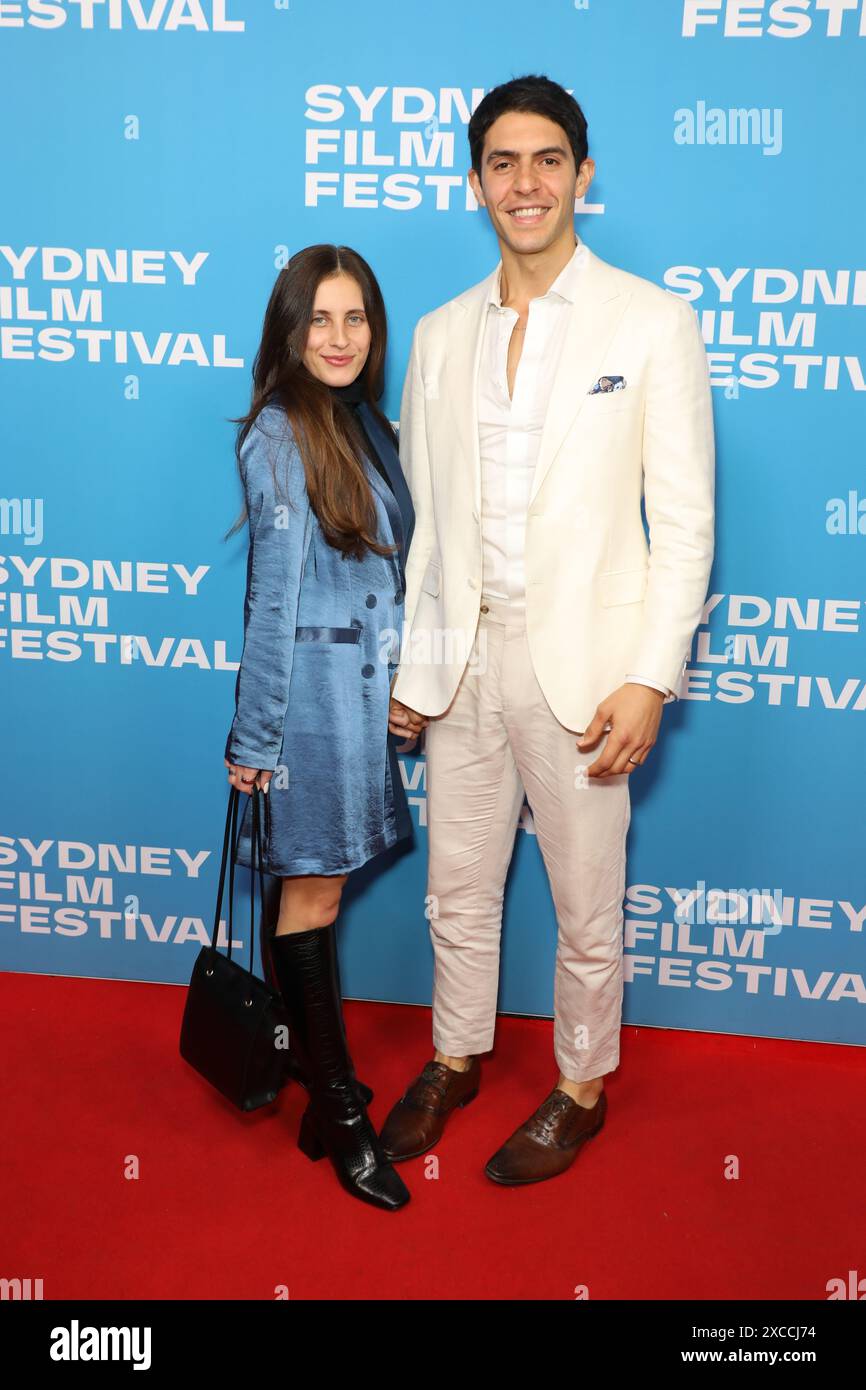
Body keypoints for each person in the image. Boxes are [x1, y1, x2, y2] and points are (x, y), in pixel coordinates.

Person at [384, 75, 715, 1185]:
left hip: (583, 668)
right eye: (499, 164)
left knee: (586, 901)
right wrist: (414, 663)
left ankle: (578, 1086)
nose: (522, 184)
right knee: (457, 886)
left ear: (581, 173)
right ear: (473, 184)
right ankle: (452, 1056)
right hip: (461, 660)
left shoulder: (650, 320)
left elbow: (683, 522)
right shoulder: (436, 335)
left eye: (544, 161)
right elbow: (429, 521)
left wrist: (649, 676)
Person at [223, 244, 415, 1212]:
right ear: (288, 332)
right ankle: (342, 1115)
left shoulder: (364, 424)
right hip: (305, 715)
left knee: (309, 892)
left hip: (356, 703)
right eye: (318, 321)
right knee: (313, 899)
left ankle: (313, 1090)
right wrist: (256, 741)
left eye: (355, 319)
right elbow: (271, 601)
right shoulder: (279, 434)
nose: (338, 339)